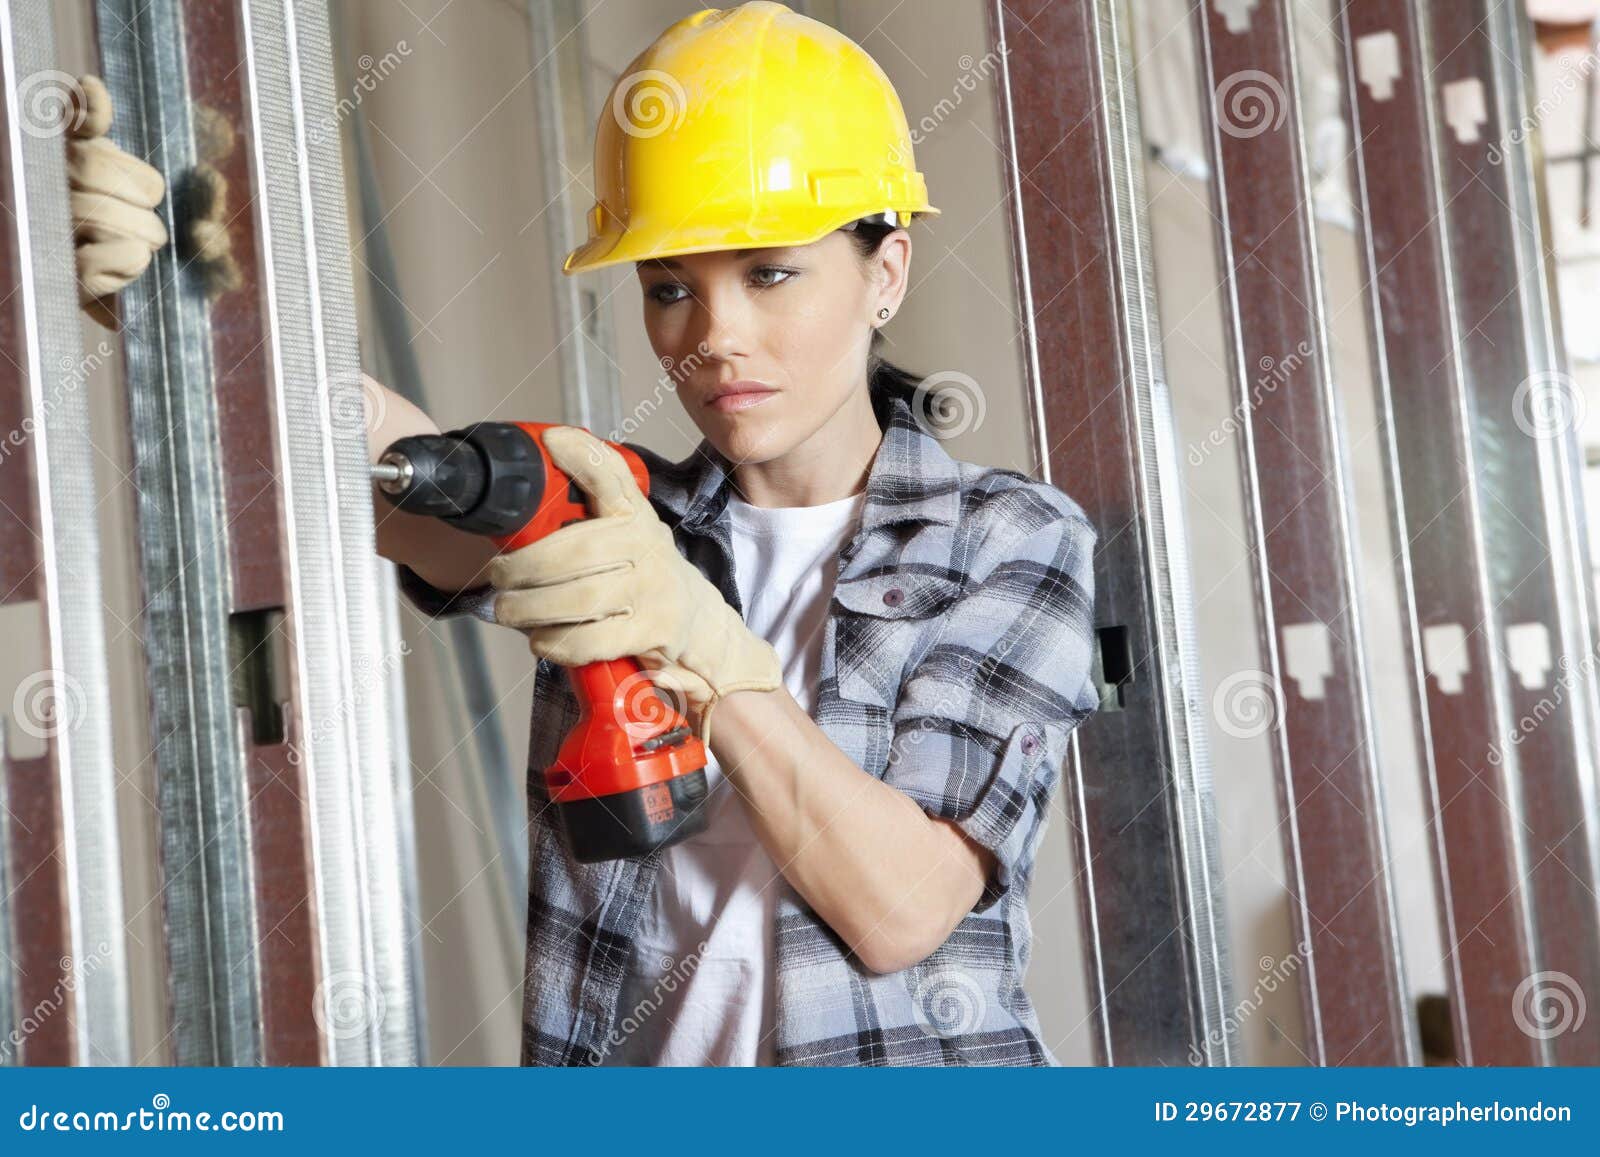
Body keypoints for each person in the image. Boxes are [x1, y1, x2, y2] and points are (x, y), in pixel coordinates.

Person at [74, 0, 1098, 1066]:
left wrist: (706, 649)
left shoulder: (1008, 539)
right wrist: (197, 312)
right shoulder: (623, 509)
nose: (714, 338)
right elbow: (389, 468)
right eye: (669, 289)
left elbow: (900, 908)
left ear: (885, 271)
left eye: (767, 272)